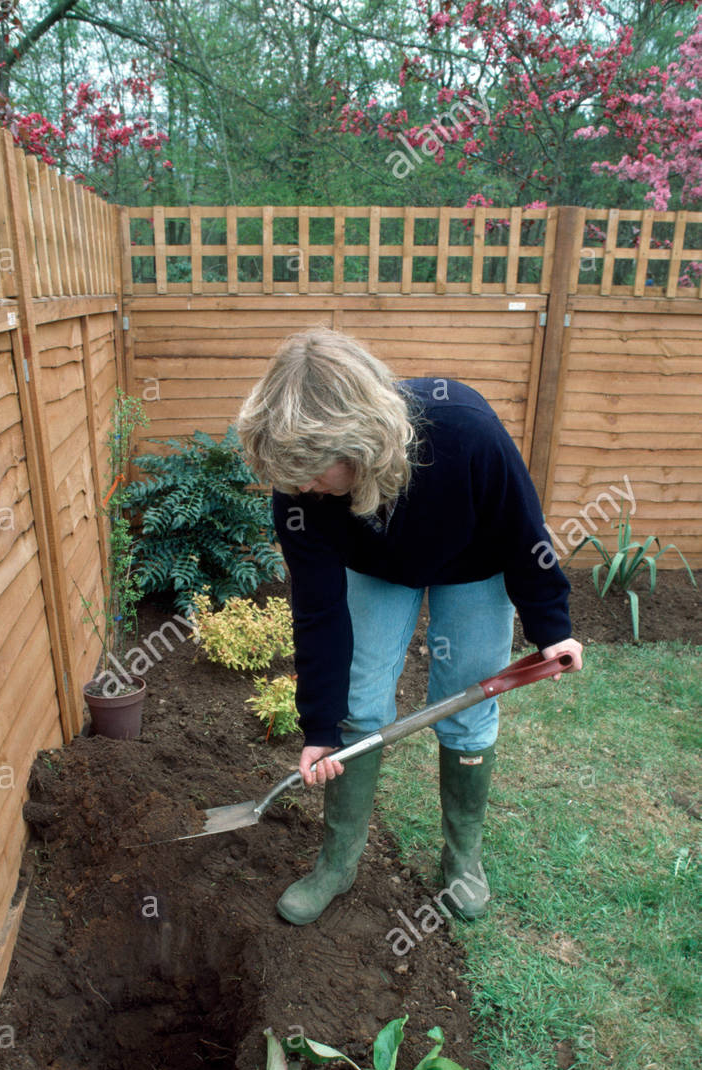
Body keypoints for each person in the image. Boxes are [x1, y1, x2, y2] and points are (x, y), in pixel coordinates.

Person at [236, 328, 583, 926]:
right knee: (358, 700)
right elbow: (318, 609)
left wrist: (551, 625)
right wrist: (318, 726)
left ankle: (462, 859)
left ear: (360, 444)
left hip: (475, 565)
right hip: (374, 568)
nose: (300, 490)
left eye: (315, 475)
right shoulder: (298, 487)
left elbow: (524, 532)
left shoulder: (465, 431)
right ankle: (339, 862)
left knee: (468, 702)